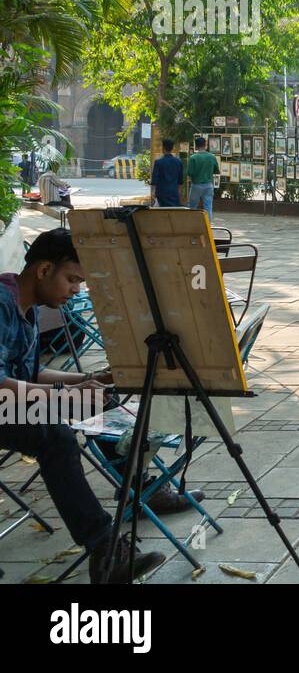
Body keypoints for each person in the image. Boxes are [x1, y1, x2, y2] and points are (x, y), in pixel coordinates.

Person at [0, 229, 190, 582]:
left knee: (101, 399)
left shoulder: (27, 303)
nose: (76, 290)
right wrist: (64, 397)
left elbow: (30, 370)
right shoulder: (2, 302)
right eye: (72, 279)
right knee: (54, 436)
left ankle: (141, 486)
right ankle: (105, 549)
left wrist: (87, 381)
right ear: (44, 271)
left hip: (11, 403)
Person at [185, 136, 219, 217]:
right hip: (208, 185)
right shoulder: (212, 157)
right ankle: (207, 227)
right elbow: (216, 171)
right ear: (205, 145)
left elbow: (189, 173)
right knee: (208, 208)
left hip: (196, 185)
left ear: (196, 146)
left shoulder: (193, 158)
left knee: (192, 206)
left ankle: (191, 225)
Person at [149, 138, 184, 207]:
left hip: (161, 193)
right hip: (174, 192)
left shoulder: (158, 162)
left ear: (163, 148)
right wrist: (179, 193)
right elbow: (180, 180)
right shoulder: (179, 162)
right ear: (172, 148)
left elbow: (154, 179)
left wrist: (152, 193)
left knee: (162, 212)